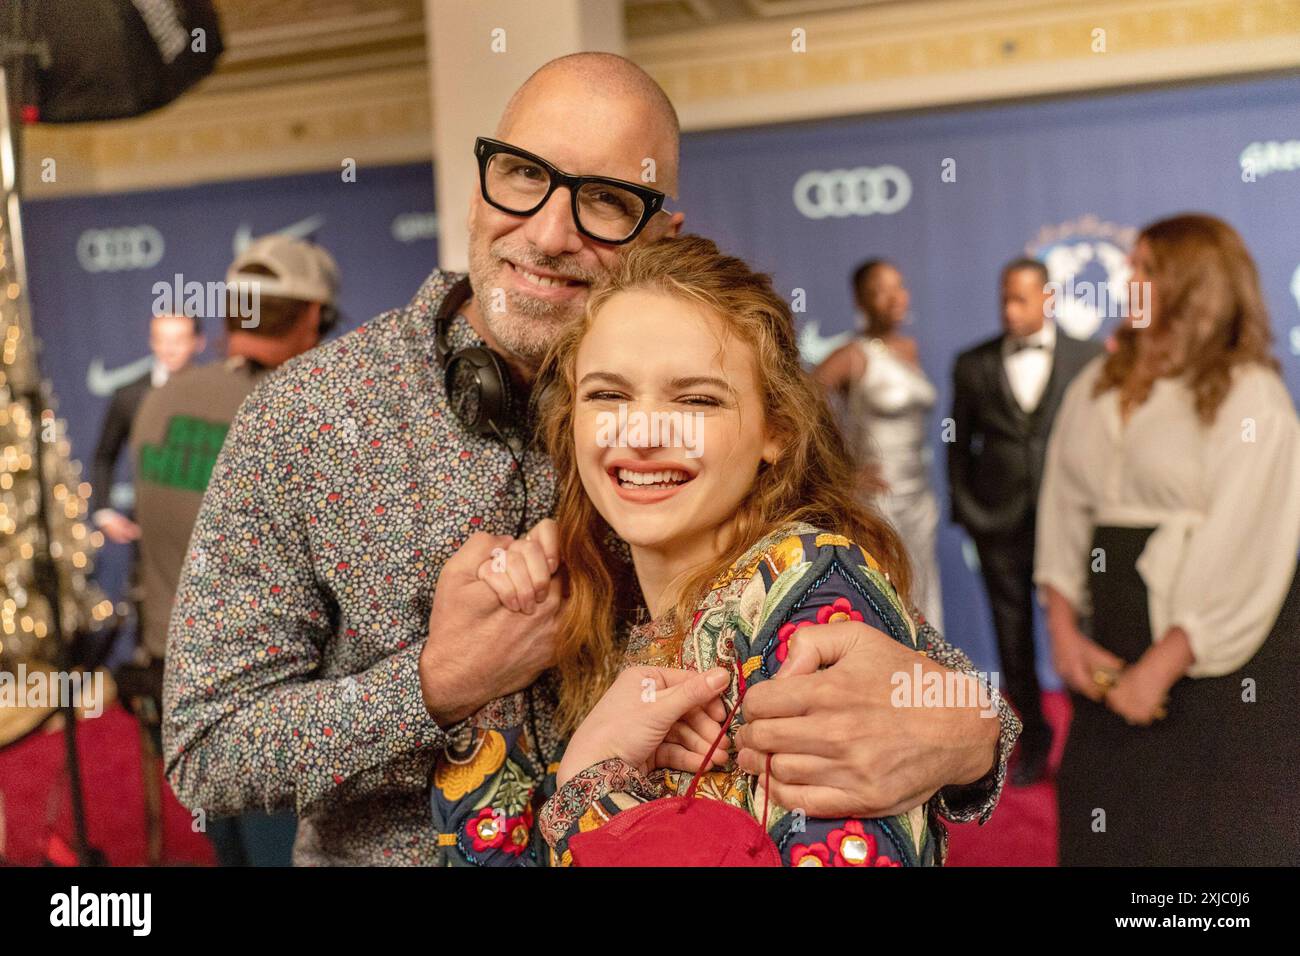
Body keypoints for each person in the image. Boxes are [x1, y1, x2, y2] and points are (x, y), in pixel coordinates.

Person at [164, 53, 1013, 866]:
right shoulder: (306, 417)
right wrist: (434, 686)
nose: (550, 231)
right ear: (479, 186)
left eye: (604, 199)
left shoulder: (713, 448)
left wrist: (974, 729)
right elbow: (206, 750)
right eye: (525, 175)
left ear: (660, 233)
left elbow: (864, 645)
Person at [432, 235, 1016, 866]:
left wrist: (591, 786)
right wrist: (482, 687)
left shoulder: (811, 583)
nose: (643, 432)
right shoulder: (595, 598)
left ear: (777, 432)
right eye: (607, 394)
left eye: (697, 399)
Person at [1034, 213, 1300, 865]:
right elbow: (1063, 506)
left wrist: (1164, 663)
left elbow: (1244, 537)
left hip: (1222, 656)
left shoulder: (1252, 394)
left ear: (1195, 282)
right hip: (1112, 639)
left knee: (1207, 834)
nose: (1128, 278)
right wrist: (1065, 635)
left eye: (1147, 267)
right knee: (1112, 824)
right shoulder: (1097, 383)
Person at [134, 234, 338, 865]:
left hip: (175, 688)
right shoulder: (297, 414)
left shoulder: (161, 401)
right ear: (310, 319)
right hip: (266, 701)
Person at [947, 258, 1103, 786]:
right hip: (999, 524)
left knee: (1082, 631)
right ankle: (1033, 738)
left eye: (1020, 299)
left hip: (1074, 524)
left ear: (1049, 299)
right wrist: (967, 510)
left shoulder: (1089, 358)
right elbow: (957, 444)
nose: (1010, 310)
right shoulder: (973, 363)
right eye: (1004, 300)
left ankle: (1091, 741)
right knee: (1012, 640)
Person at [814, 259, 944, 631]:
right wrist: (840, 473)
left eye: (898, 286)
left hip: (919, 499)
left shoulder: (910, 348)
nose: (894, 298)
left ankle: (925, 677)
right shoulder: (852, 355)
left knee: (925, 597)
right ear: (861, 300)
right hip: (879, 502)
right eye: (880, 290)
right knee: (887, 594)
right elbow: (801, 407)